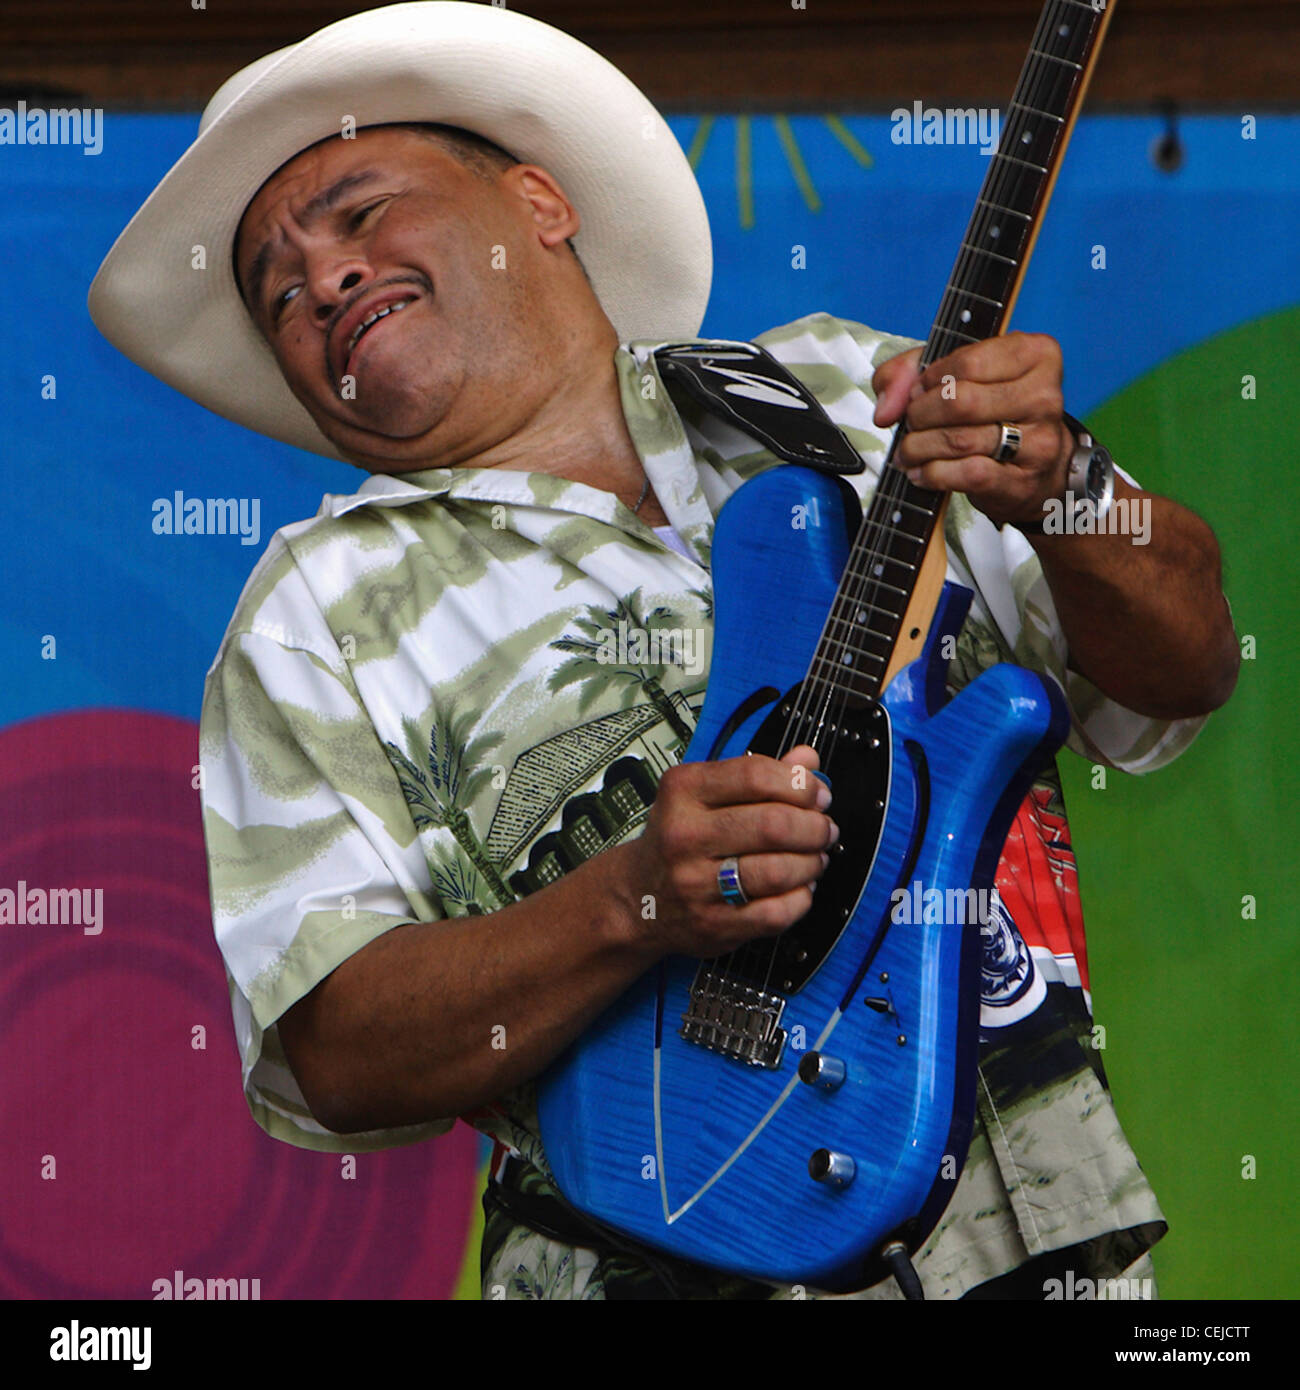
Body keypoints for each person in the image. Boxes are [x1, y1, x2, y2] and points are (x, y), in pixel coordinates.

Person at [88, 3, 1238, 1300]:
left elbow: (1187, 662)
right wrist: (630, 896)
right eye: (278, 290)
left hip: (1046, 1241)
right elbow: (337, 1049)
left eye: (357, 212)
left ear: (539, 201)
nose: (322, 280)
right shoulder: (315, 606)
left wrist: (1071, 483)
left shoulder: (843, 382)